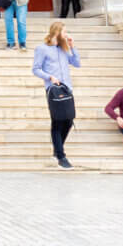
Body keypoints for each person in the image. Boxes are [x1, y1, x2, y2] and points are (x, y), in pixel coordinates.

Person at [32, 21, 81, 168]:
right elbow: (35, 69)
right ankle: (61, 156)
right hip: (53, 89)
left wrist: (72, 47)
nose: (66, 35)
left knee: (69, 119)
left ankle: (57, 148)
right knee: (57, 121)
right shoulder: (42, 49)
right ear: (57, 32)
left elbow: (77, 63)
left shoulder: (64, 48)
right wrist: (50, 77)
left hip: (67, 89)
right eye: (64, 32)